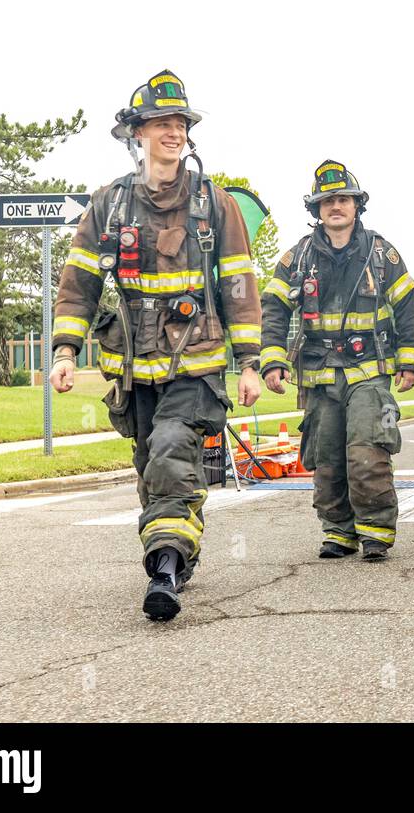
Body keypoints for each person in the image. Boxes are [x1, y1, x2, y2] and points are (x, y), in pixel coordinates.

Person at [50, 70, 262, 621]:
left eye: (180, 124)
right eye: (160, 123)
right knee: (152, 466)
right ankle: (175, 550)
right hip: (134, 369)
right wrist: (65, 351)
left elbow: (239, 287)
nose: (173, 132)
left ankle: (163, 568)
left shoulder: (217, 205)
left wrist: (251, 363)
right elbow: (78, 284)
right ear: (137, 134)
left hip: (196, 366)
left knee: (171, 450)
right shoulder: (109, 205)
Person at [260, 161, 414, 562]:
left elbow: (408, 308)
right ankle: (339, 531)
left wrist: (410, 360)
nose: (336, 206)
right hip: (318, 375)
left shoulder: (382, 254)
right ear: (317, 209)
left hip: (369, 369)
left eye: (343, 199)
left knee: (367, 451)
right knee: (327, 457)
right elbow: (274, 309)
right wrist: (272, 359)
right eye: (328, 200)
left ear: (357, 206)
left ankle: (375, 532)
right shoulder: (296, 258)